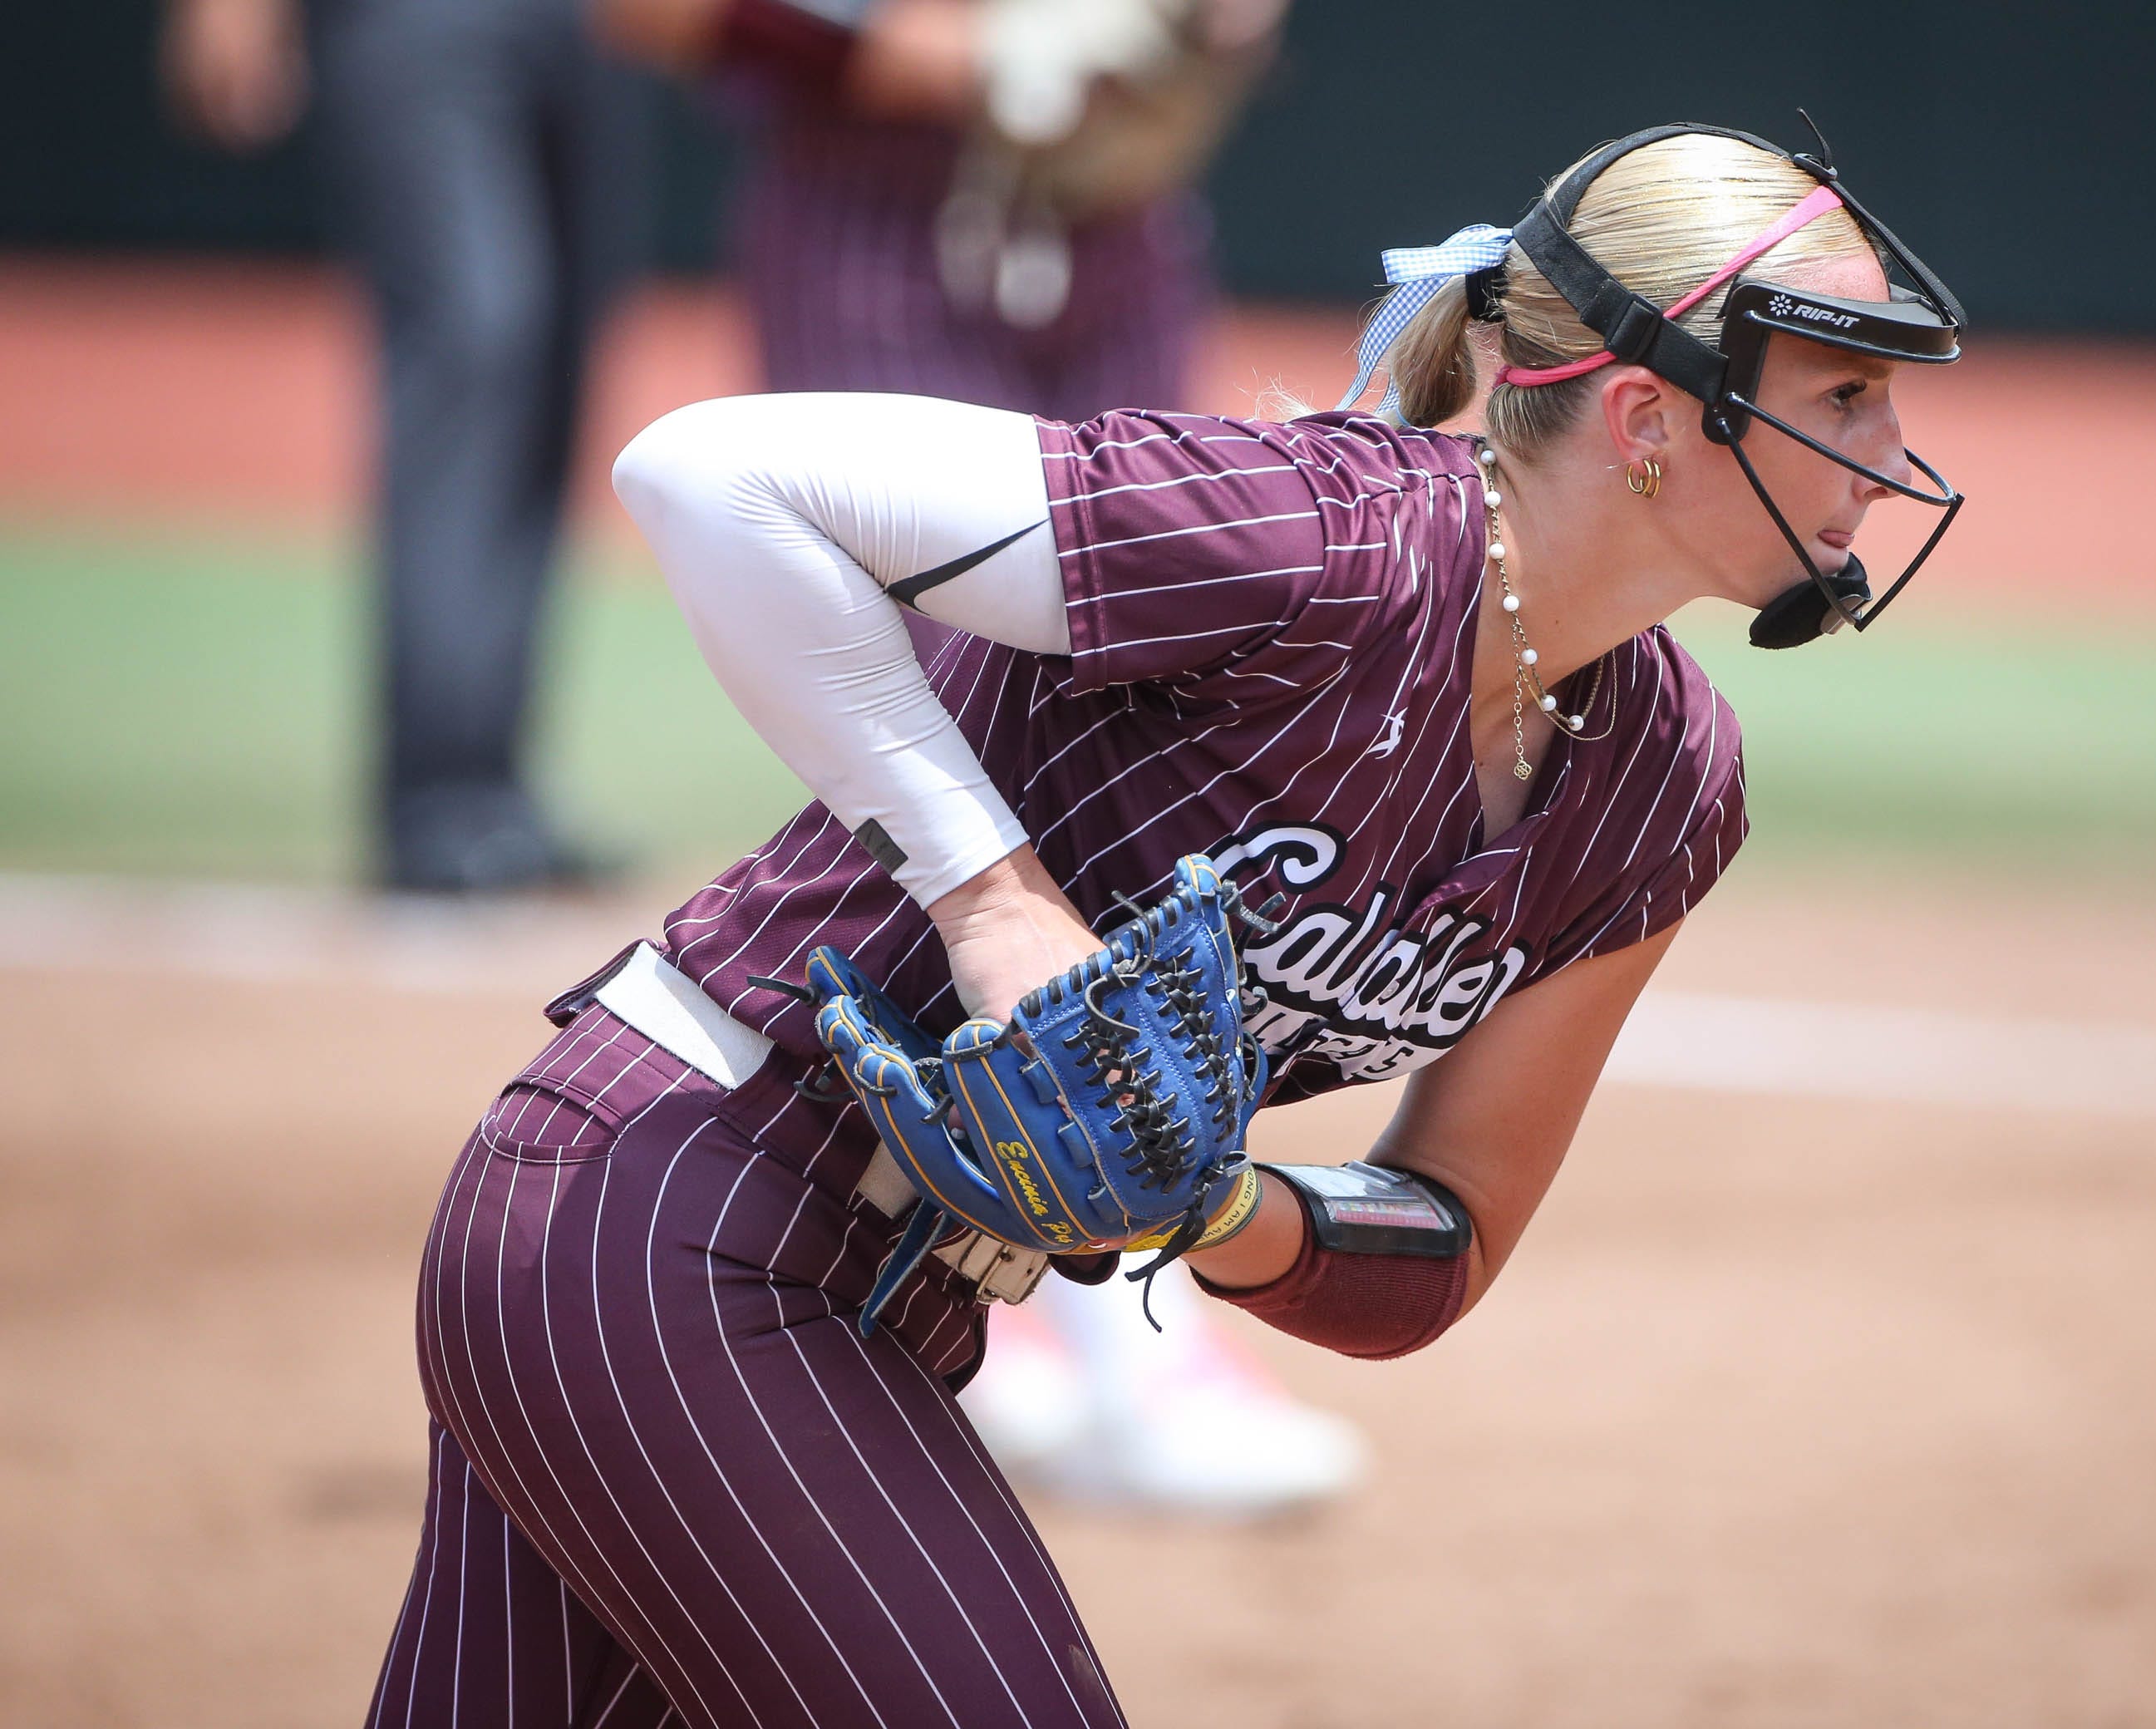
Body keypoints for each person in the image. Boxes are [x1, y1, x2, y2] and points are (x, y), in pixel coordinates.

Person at [363, 122, 1966, 1727]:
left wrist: (1207, 1205)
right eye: (1843, 393)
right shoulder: (1316, 540)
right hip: (668, 1209)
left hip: (876, 1292)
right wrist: (990, 897)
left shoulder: (1664, 789)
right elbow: (707, 472)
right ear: (1643, 417)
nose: (1891, 447)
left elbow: (1444, 1241)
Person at [593, 0, 1350, 1515]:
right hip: (880, 208)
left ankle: (1081, 1293)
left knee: (1134, 710)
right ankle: (1057, 1316)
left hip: (1111, 224)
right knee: (945, 724)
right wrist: (921, 56)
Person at [161, 0, 649, 893]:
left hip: (592, 24)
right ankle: (438, 797)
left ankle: (495, 788)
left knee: (556, 364)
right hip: (416, 20)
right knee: (476, 336)